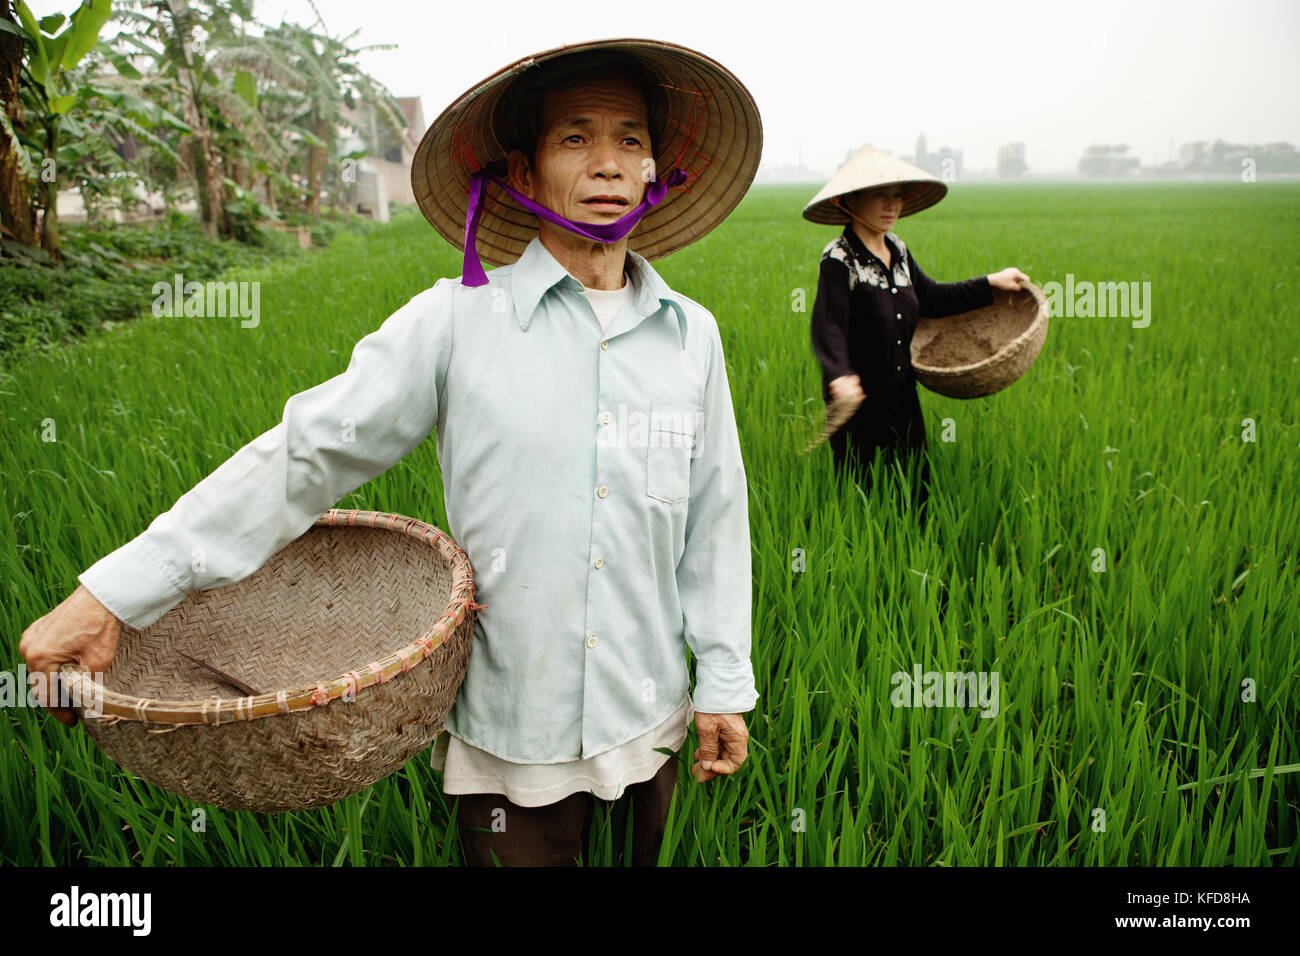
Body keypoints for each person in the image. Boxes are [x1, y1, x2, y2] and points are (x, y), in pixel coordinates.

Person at [18, 39, 764, 867]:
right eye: (575, 138)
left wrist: (725, 680)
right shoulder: (455, 324)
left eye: (630, 139)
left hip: (652, 714)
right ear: (523, 171)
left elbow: (715, 517)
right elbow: (305, 456)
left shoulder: (690, 336)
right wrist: (110, 597)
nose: (607, 164)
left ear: (655, 170)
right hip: (514, 728)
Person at [804, 145, 1029, 519]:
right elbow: (828, 325)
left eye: (896, 196)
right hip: (857, 405)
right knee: (862, 503)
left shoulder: (898, 249)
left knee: (915, 496)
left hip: (903, 396)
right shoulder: (839, 259)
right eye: (880, 195)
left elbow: (933, 299)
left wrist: (991, 283)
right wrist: (839, 376)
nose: (892, 205)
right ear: (850, 201)